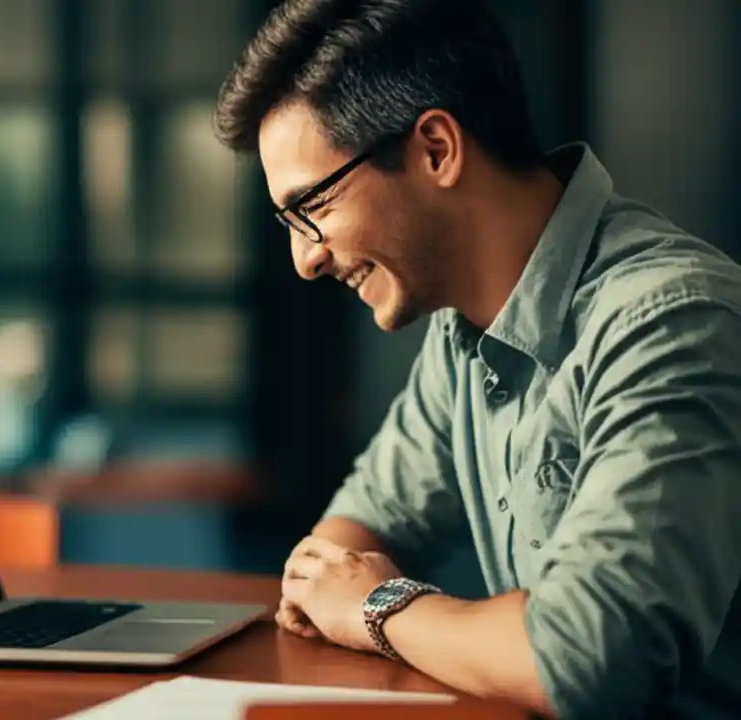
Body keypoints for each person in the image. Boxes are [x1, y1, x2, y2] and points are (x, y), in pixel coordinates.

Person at [213, 0, 741, 717]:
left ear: (436, 149)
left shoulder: (672, 322)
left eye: (314, 207)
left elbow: (586, 659)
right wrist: (352, 592)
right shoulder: (464, 330)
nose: (304, 259)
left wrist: (377, 605)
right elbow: (342, 542)